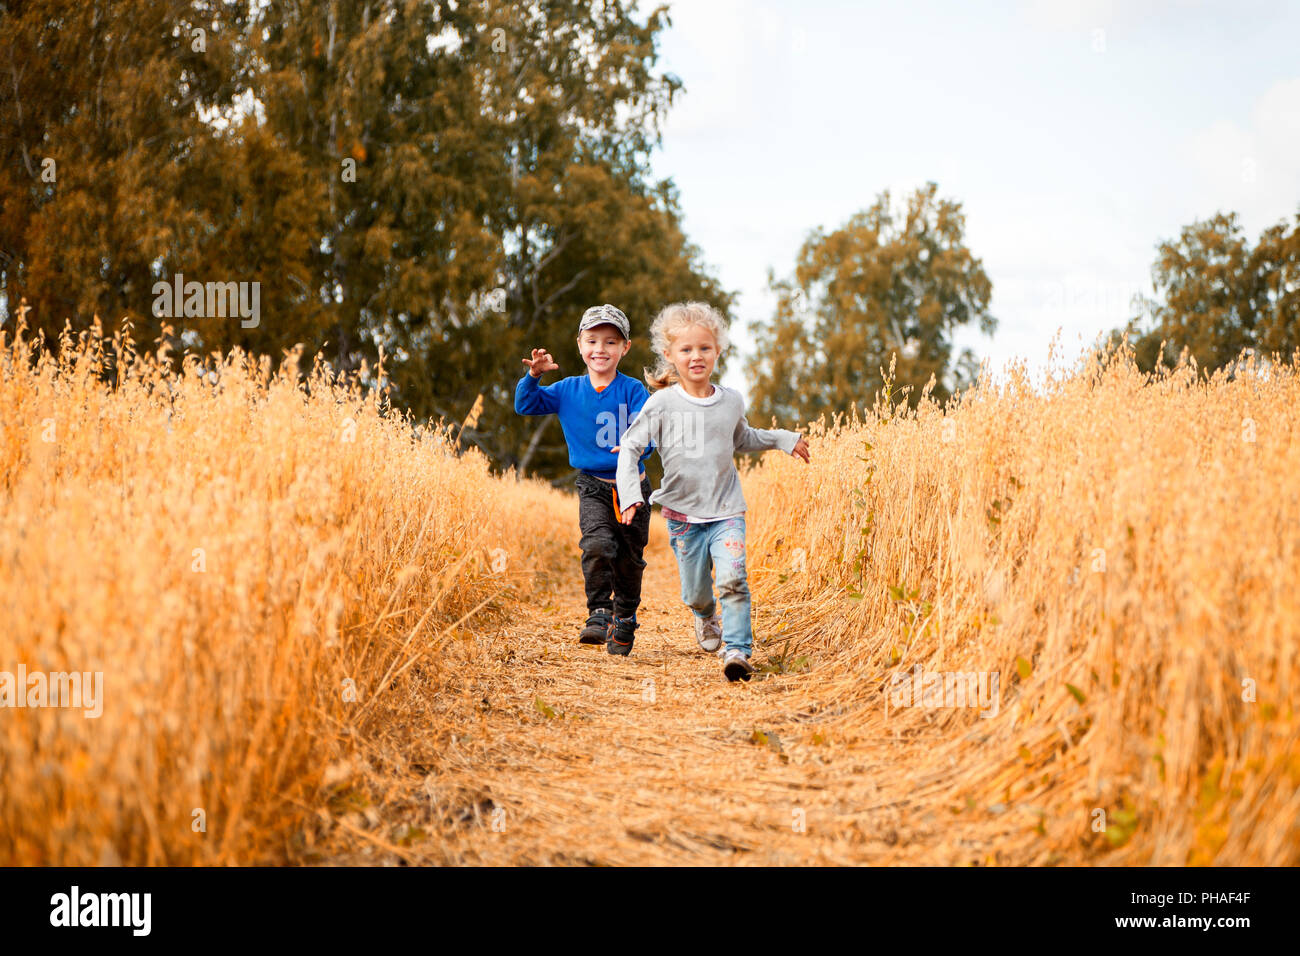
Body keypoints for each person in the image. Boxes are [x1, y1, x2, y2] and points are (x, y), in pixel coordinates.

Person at [614, 301, 810, 681]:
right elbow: (631, 445)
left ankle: (737, 650)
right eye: (686, 350)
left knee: (733, 578)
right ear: (670, 355)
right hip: (683, 516)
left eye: (704, 348)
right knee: (697, 593)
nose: (696, 356)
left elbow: (743, 438)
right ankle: (705, 616)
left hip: (726, 511)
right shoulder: (662, 404)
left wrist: (783, 439)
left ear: (718, 351)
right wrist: (630, 494)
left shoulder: (731, 400)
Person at [515, 304, 653, 655]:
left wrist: (634, 447)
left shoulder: (633, 390)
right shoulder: (567, 390)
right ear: (579, 345)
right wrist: (534, 377)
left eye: (610, 342)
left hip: (631, 485)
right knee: (596, 546)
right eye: (592, 340)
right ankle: (599, 613)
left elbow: (649, 429)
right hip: (592, 484)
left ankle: (624, 619)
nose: (600, 349)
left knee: (629, 559)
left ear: (625, 348)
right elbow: (525, 405)